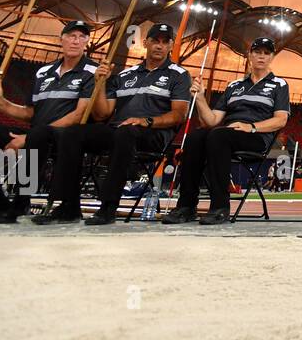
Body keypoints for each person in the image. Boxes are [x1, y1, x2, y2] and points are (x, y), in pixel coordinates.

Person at [34, 23, 190, 226]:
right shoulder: (126, 75)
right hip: (117, 130)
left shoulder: (178, 75)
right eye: (155, 41)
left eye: (165, 42)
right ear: (146, 43)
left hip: (152, 133)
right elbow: (102, 114)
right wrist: (100, 84)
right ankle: (68, 206)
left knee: (126, 133)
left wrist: (147, 121)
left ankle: (108, 207)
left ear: (171, 46)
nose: (159, 46)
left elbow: (179, 114)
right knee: (72, 133)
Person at [0, 20, 98, 223]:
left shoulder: (93, 71)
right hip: (36, 131)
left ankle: (21, 202)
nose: (76, 41)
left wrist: (28, 136)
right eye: (71, 36)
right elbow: (31, 113)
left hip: (67, 136)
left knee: (38, 135)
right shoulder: (43, 72)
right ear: (62, 40)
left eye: (81, 37)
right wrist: (0, 102)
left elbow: (79, 115)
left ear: (87, 42)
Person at [162, 36, 289, 225]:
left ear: (272, 57)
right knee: (196, 137)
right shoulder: (234, 86)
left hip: (256, 137)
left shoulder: (279, 85)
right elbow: (212, 120)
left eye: (266, 53)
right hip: (226, 134)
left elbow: (281, 120)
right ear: (249, 55)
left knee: (218, 136)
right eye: (257, 52)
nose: (261, 57)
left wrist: (251, 127)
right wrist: (201, 98)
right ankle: (186, 206)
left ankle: (220, 207)